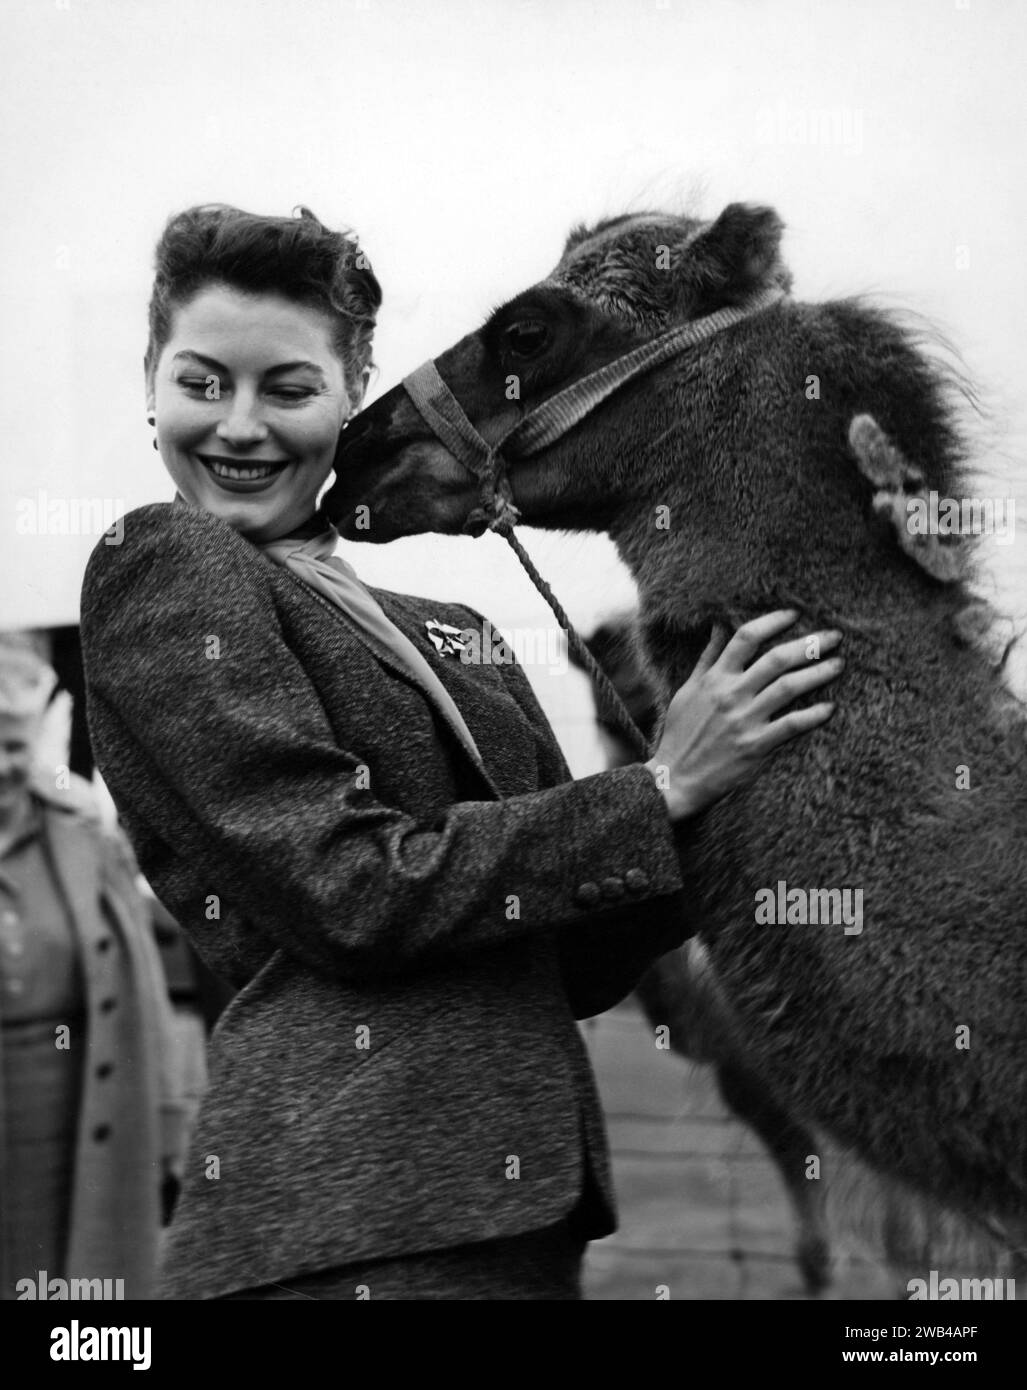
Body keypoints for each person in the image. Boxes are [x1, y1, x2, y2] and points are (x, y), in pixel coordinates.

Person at [78, 204, 844, 1301]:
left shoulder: (458, 630)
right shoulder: (167, 564)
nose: (239, 426)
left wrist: (732, 782)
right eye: (201, 382)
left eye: (287, 388)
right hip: (345, 1218)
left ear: (354, 394)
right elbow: (347, 889)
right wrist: (662, 785)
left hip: (519, 1215)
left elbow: (571, 959)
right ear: (152, 385)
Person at [0, 642, 191, 1300]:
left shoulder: (83, 837)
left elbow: (143, 989)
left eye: (14, 747)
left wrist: (170, 1127)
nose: (1, 767)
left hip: (82, 1112)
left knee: (84, 1299)